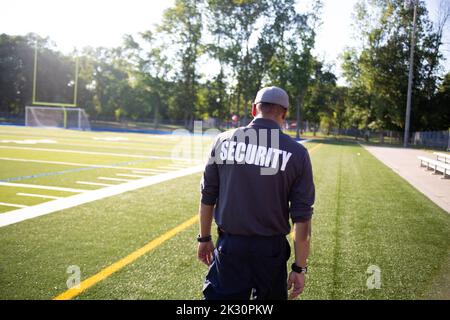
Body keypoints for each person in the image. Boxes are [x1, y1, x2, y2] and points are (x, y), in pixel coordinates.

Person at [197, 86, 315, 300]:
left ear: (253, 109)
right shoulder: (297, 153)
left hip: (230, 248)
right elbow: (302, 217)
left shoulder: (223, 141)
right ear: (284, 113)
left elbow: (208, 195)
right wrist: (299, 268)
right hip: (270, 252)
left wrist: (204, 237)